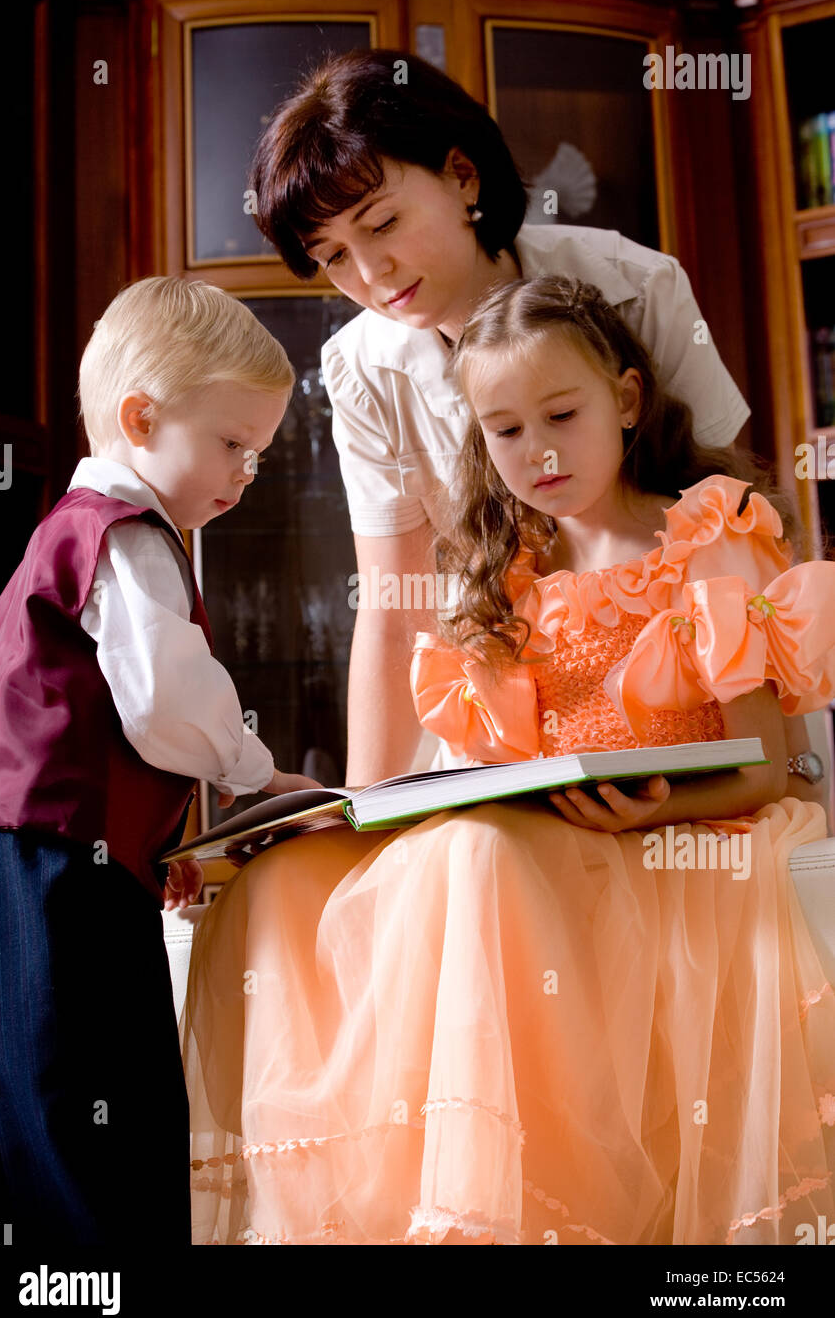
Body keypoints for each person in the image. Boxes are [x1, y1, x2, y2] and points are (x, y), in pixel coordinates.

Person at [182, 274, 835, 1246]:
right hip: (544, 843)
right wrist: (355, 809)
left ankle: (506, 1214)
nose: (535, 452)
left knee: (479, 855)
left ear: (622, 399)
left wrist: (646, 812)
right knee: (284, 881)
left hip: (684, 838)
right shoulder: (509, 575)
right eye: (502, 430)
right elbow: (498, 771)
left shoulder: (706, 537)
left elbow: (772, 765)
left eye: (559, 415)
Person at [247, 47, 820, 790]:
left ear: (462, 175)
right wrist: (361, 808)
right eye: (332, 257)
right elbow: (396, 610)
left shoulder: (638, 288)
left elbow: (725, 529)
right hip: (512, 734)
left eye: (382, 223)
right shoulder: (359, 367)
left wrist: (773, 773)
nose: (370, 274)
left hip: (690, 730)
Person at [0, 276, 319, 1245]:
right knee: (85, 1103)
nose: (245, 472)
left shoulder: (88, 533)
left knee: (64, 1101)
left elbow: (118, 727)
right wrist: (253, 771)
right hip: (58, 879)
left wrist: (164, 840)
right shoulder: (126, 539)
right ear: (140, 417)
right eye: (232, 444)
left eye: (258, 451)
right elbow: (165, 701)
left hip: (55, 868)